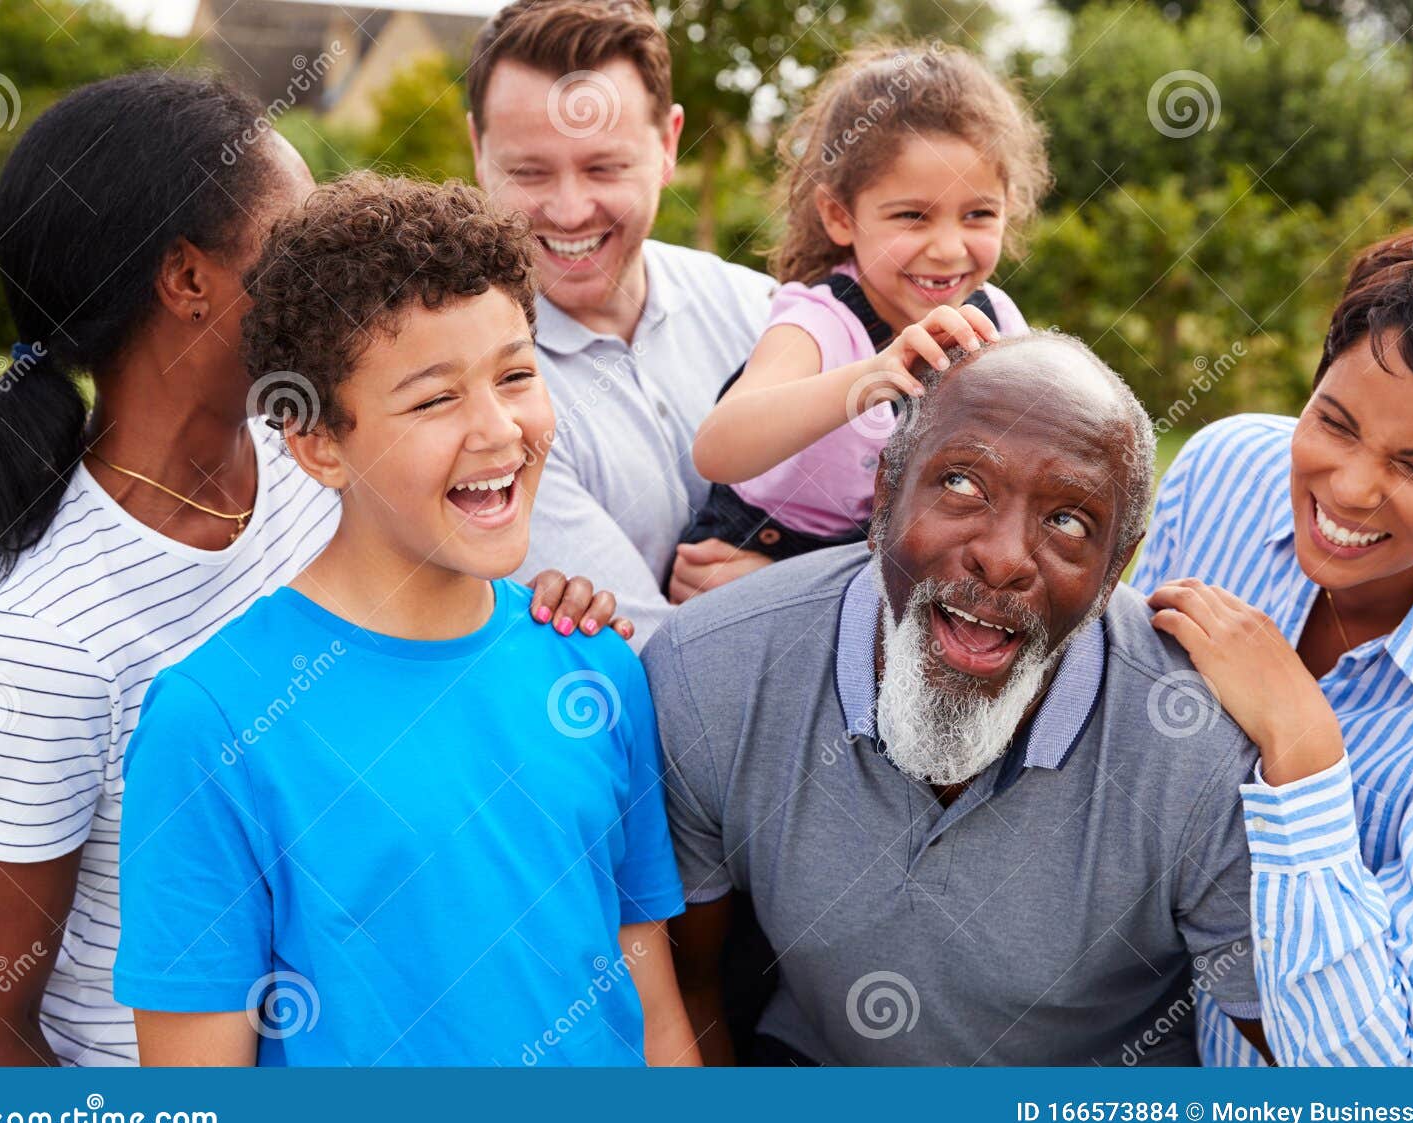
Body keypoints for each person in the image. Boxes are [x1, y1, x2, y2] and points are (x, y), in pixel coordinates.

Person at [0, 74, 615, 1068]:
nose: (334, 273)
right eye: (292, 242)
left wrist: (531, 617)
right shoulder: (42, 650)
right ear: (188, 279)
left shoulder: (312, 456)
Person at [113, 174, 697, 1068]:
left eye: (515, 374)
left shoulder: (594, 667)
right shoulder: (211, 720)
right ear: (317, 442)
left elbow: (650, 1007)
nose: (499, 428)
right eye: (433, 398)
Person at [646, 332, 1269, 1065]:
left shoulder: (1194, 746)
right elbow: (690, 985)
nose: (1003, 558)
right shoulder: (712, 668)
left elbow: (1304, 1055)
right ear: (884, 493)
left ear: (1114, 570)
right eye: (963, 484)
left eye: (1069, 521)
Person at [1133, 218, 1413, 1066]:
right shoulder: (1222, 475)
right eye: (1335, 423)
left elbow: (1384, 1079)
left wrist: (1304, 747)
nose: (1350, 490)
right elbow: (1127, 762)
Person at [467, 0, 780, 635]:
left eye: (604, 168)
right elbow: (659, 665)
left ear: (668, 143)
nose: (571, 209)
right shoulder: (476, 401)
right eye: (528, 172)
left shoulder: (764, 312)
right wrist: (783, 598)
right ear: (478, 148)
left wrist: (780, 577)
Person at [688, 44, 1045, 562]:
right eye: (911, 216)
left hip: (891, 554)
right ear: (838, 216)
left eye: (978, 215)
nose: (948, 249)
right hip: (772, 548)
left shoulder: (996, 320)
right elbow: (716, 450)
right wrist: (874, 373)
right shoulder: (821, 322)